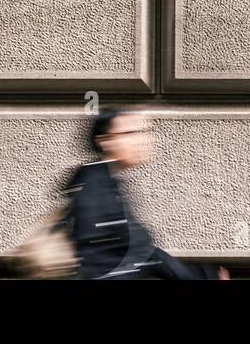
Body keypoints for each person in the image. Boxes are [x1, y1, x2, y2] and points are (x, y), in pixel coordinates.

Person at [62, 109, 228, 280]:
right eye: (130, 133)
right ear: (104, 141)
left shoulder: (106, 182)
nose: (141, 140)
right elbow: (134, 255)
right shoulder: (96, 186)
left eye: (145, 132)